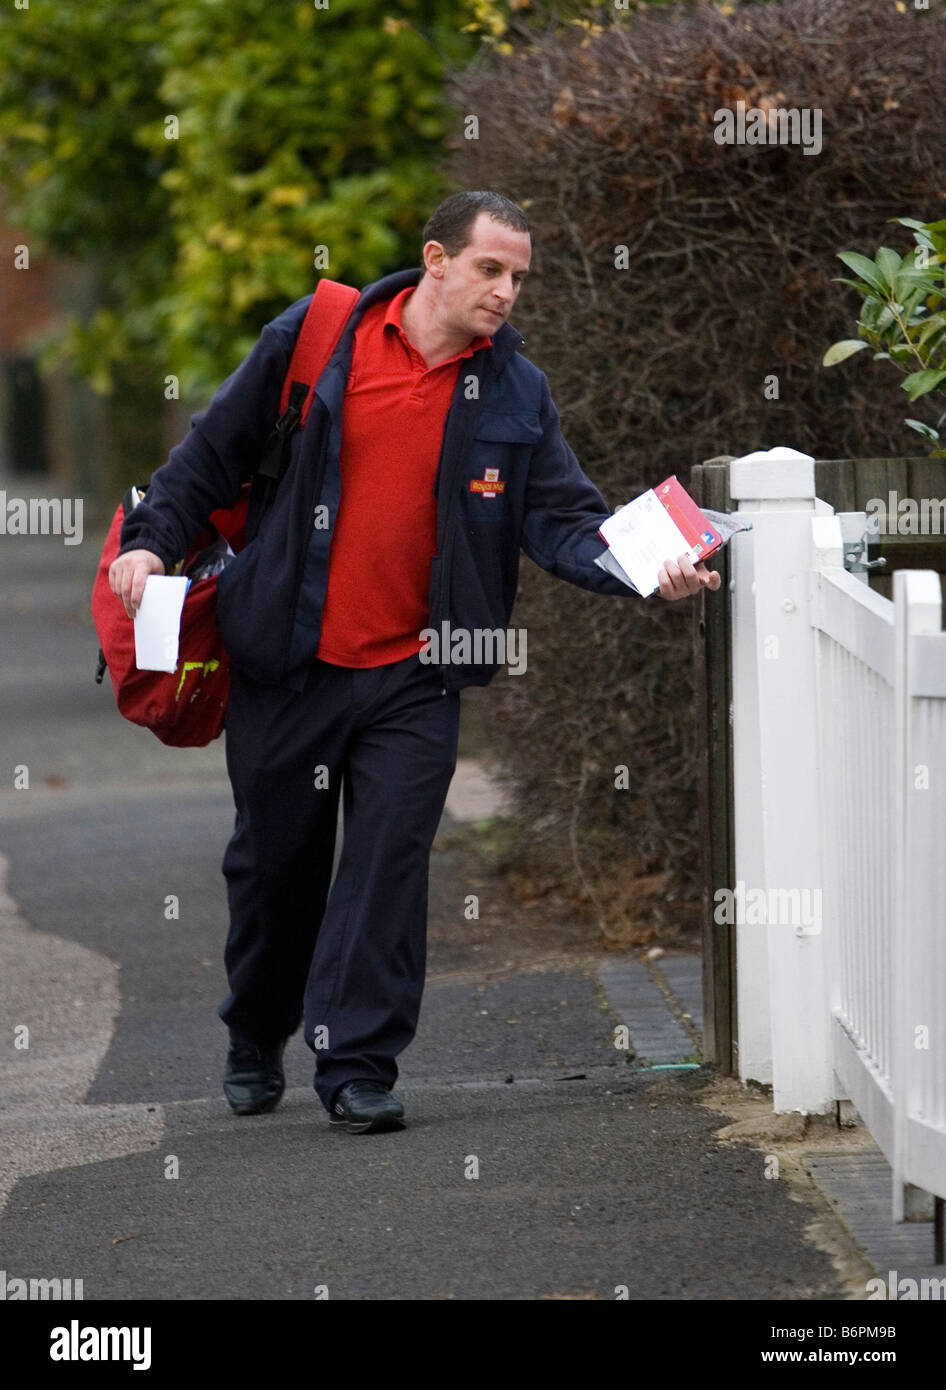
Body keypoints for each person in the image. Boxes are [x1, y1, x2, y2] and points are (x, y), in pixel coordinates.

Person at [108, 190, 721, 1135]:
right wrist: (150, 543)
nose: (507, 291)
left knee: (389, 863)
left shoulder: (517, 390)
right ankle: (256, 1026)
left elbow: (563, 521)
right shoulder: (319, 338)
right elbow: (212, 453)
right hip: (287, 656)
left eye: (519, 276)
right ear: (436, 260)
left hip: (417, 674)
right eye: (491, 269)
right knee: (276, 868)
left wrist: (654, 571)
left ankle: (356, 1062)